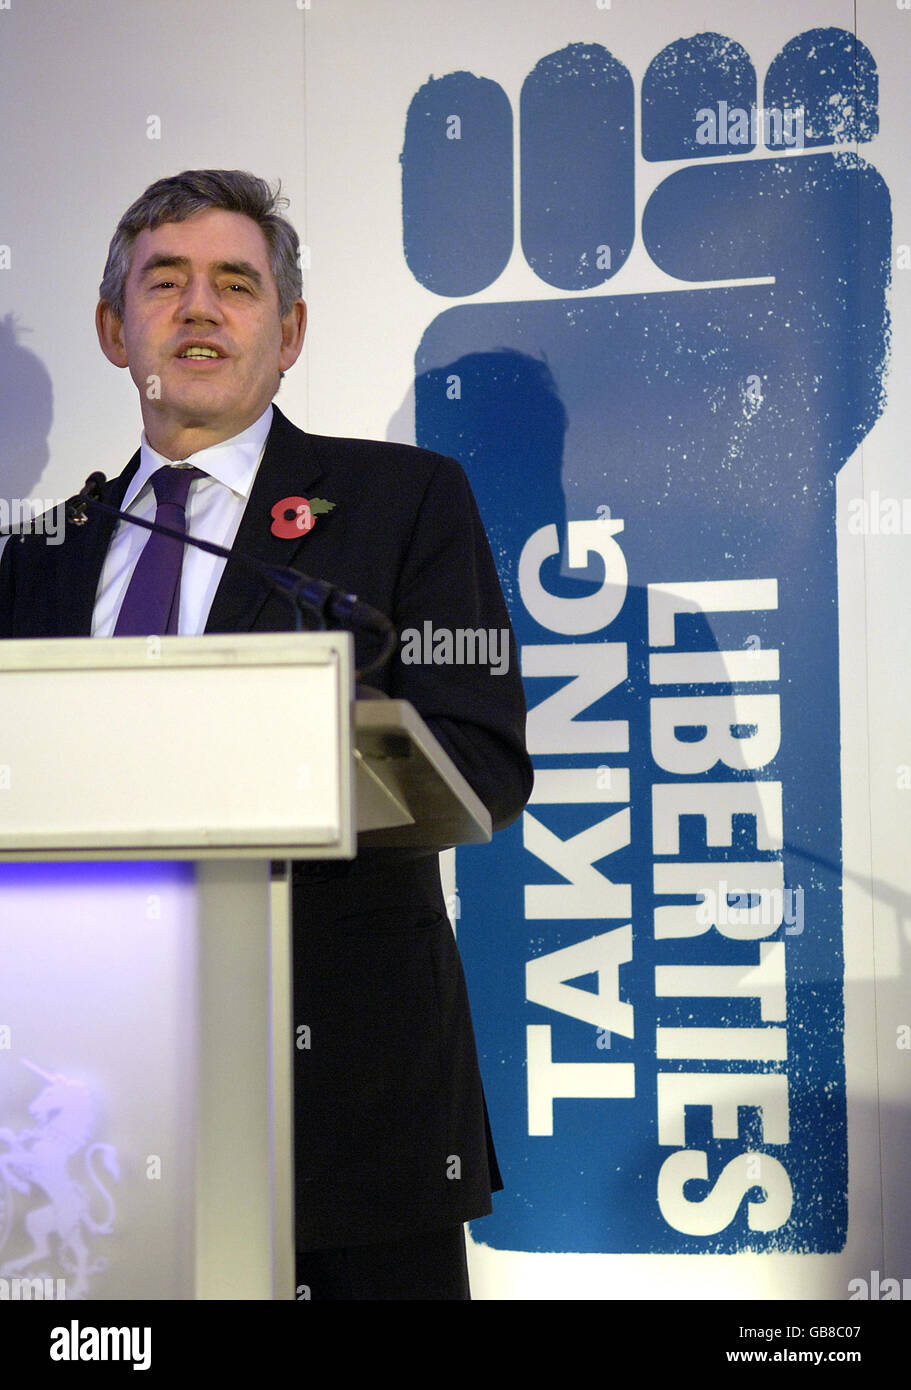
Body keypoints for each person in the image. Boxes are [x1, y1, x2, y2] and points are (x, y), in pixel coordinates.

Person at [0, 170, 532, 1299]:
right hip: (89, 1112)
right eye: (166, 283)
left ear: (286, 333)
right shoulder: (39, 553)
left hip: (350, 1110)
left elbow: (477, 763)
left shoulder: (404, 501)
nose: (200, 310)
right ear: (114, 327)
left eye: (235, 285)